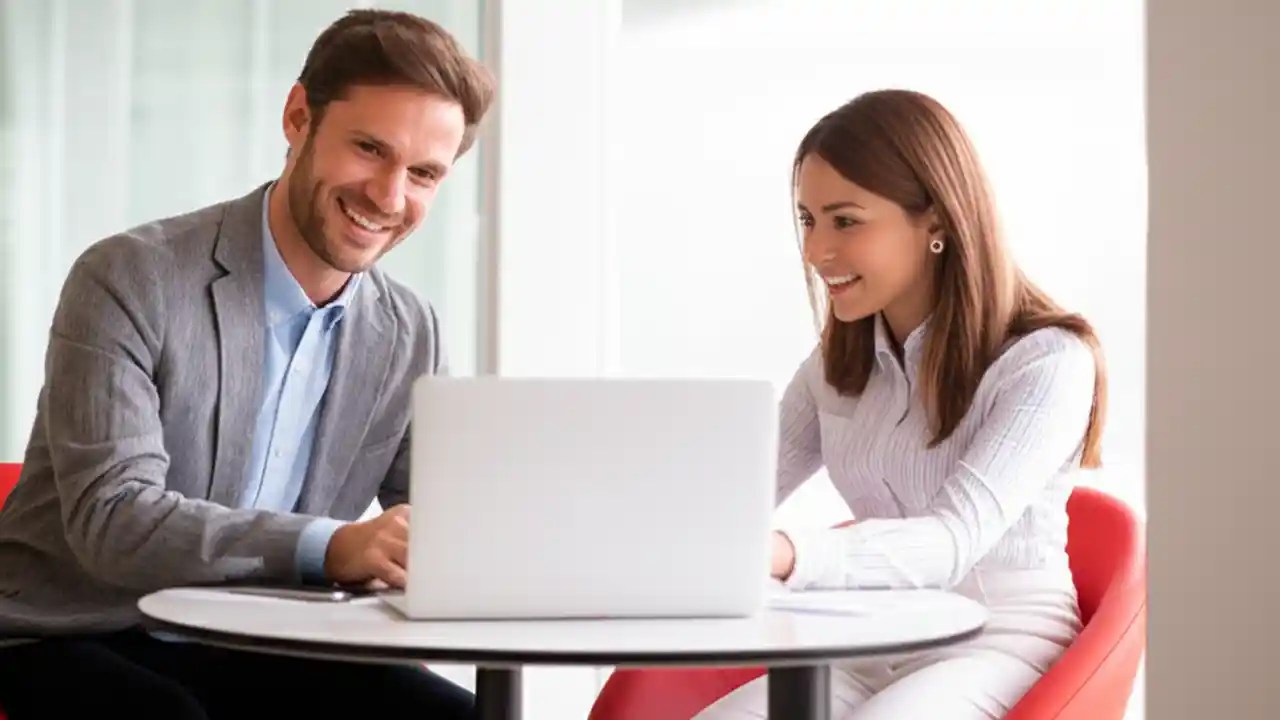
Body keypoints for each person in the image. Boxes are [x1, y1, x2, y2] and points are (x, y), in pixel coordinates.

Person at [0, 9, 493, 719]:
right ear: (298, 118)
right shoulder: (129, 278)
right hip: (72, 628)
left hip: (262, 643)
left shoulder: (409, 331)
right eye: (367, 148)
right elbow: (113, 521)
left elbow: (439, 528)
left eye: (422, 173)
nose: (389, 197)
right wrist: (333, 547)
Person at [696, 89, 1107, 719]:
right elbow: (736, 495)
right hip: (873, 641)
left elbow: (951, 540)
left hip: (997, 642)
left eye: (846, 220)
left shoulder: (1048, 362)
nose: (814, 252)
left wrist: (786, 553)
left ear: (936, 222)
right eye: (808, 220)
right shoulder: (835, 367)